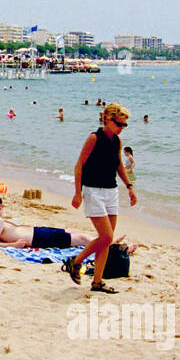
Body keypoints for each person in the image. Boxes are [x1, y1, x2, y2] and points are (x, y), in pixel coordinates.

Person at [67, 103, 136, 293]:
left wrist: (129, 187)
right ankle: (76, 261)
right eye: (118, 124)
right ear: (107, 119)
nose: (121, 128)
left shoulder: (117, 141)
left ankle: (97, 281)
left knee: (106, 240)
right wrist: (77, 192)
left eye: (124, 125)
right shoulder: (94, 138)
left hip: (111, 192)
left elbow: (119, 166)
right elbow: (79, 165)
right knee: (107, 236)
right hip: (93, 191)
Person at [0, 196, 132, 251]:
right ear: (0, 206)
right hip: (39, 238)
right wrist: (13, 245)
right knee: (81, 239)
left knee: (70, 231)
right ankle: (111, 245)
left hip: (38, 233)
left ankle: (106, 241)